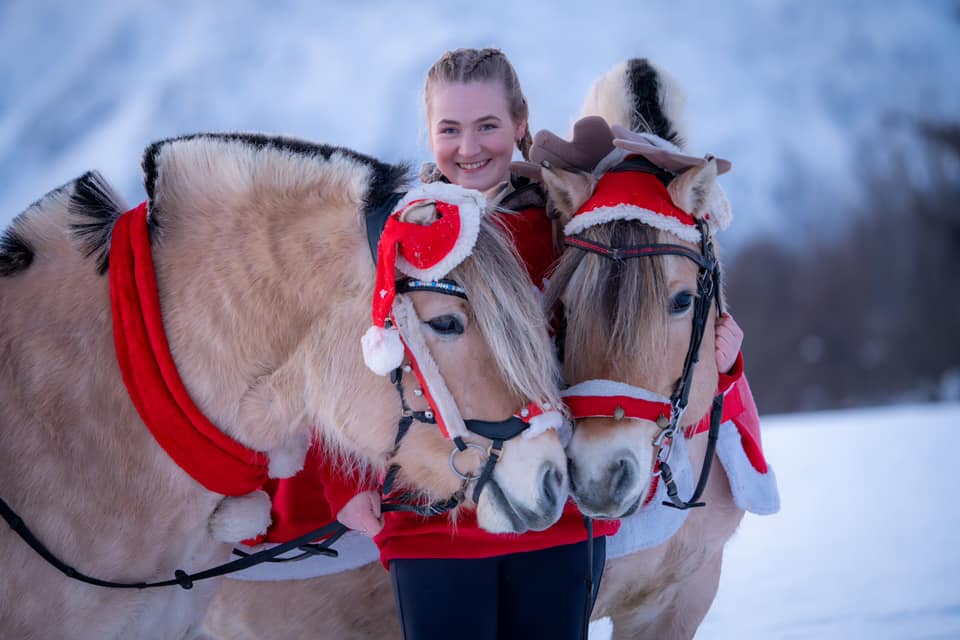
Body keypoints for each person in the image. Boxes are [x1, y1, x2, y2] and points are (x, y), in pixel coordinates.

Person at [331, 48, 747, 640]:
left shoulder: (571, 233)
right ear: (429, 132)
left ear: (520, 126)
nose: (468, 147)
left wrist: (721, 363)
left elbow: (641, 339)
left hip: (558, 513)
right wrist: (341, 480)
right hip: (437, 524)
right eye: (449, 129)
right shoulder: (404, 237)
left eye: (488, 126)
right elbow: (342, 367)